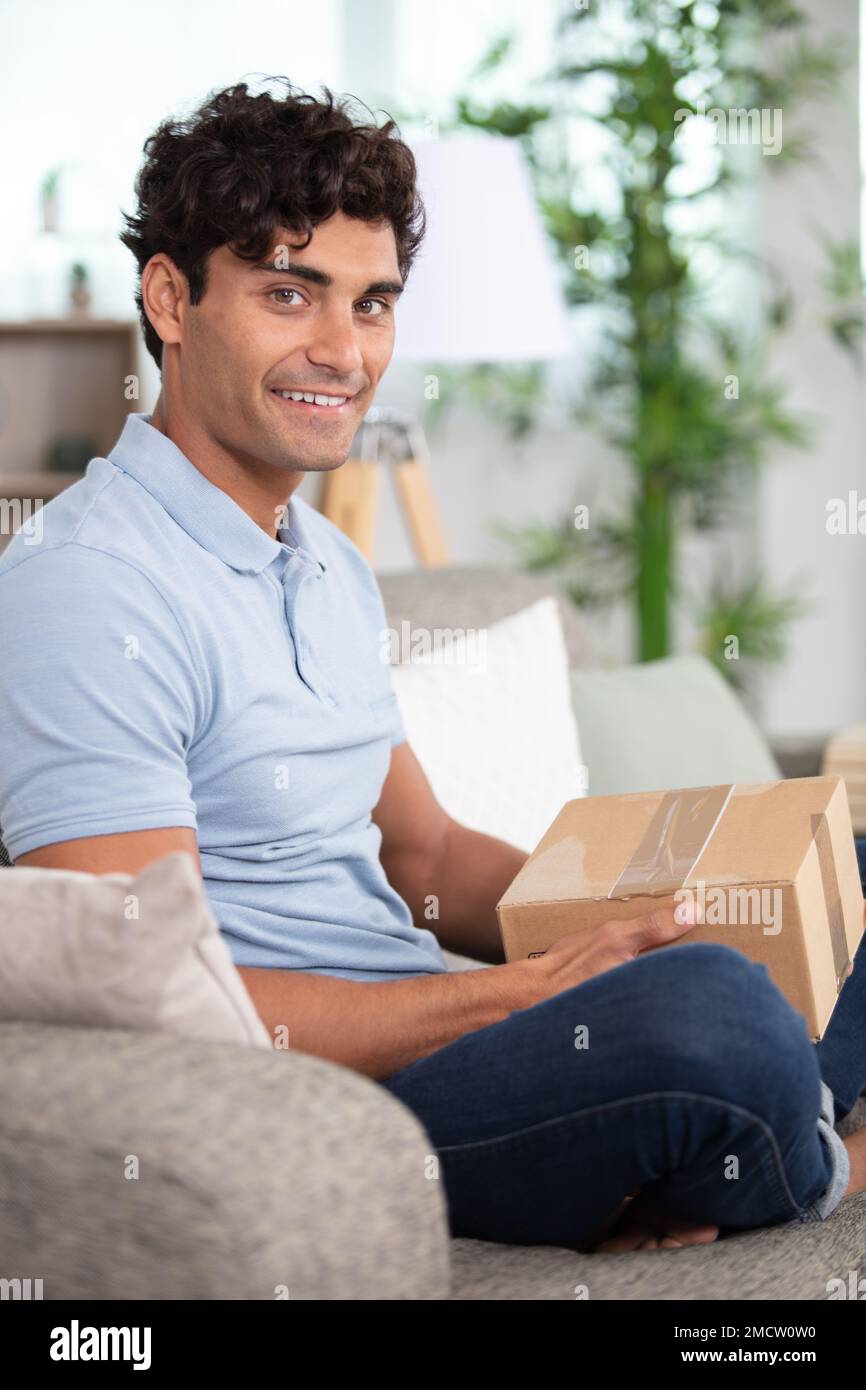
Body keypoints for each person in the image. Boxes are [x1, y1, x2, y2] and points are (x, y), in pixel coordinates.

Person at [1, 78, 863, 1254]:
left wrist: (648, 918)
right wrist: (531, 995)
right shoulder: (83, 587)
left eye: (371, 304)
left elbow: (430, 853)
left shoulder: (326, 564)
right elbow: (151, 1003)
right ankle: (818, 1154)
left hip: (461, 1035)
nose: (341, 351)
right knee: (711, 1014)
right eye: (287, 294)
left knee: (832, 884)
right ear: (171, 298)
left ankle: (712, 1146)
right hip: (345, 1102)